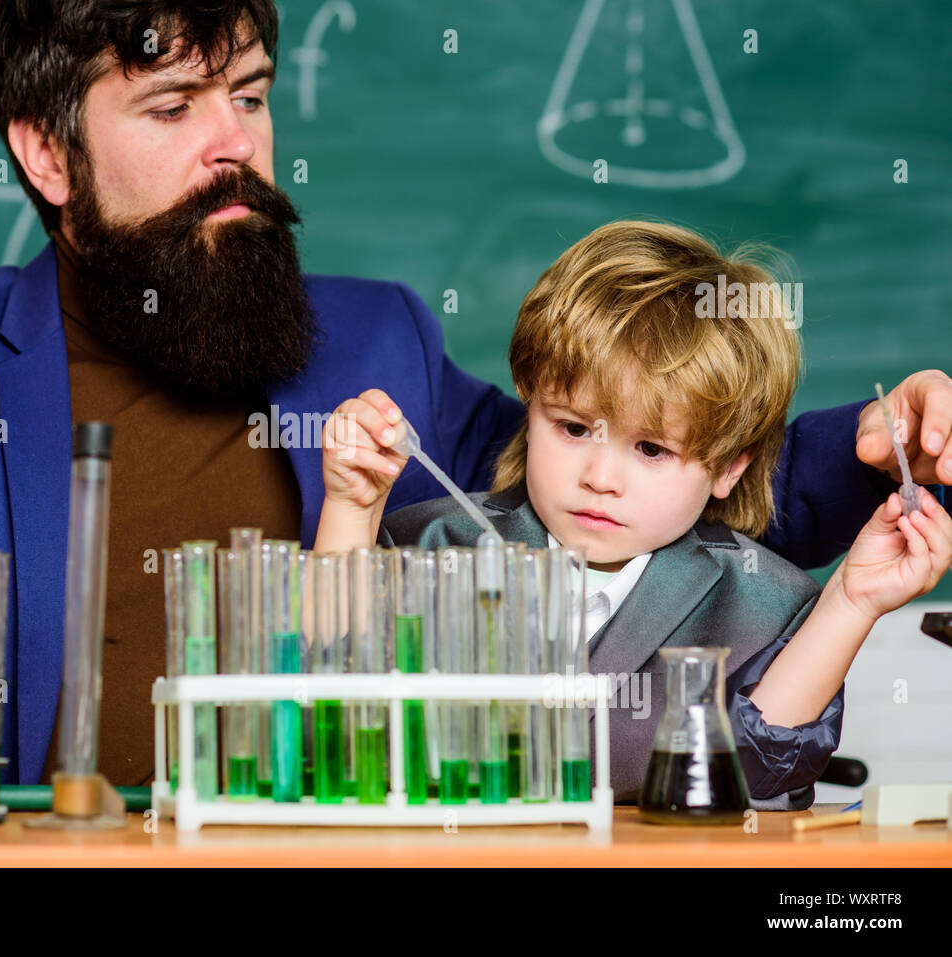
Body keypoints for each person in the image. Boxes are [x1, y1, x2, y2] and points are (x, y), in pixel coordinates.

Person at [0, 3, 949, 788]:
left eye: (253, 95)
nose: (238, 146)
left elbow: (626, 500)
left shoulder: (372, 338)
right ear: (47, 153)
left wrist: (880, 439)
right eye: (173, 106)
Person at [313, 221, 952, 809]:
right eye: (570, 427)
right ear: (528, 402)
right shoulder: (427, 543)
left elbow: (760, 777)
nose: (600, 477)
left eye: (650, 448)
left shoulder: (768, 602)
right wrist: (351, 507)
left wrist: (849, 603)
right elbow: (326, 713)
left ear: (730, 467)